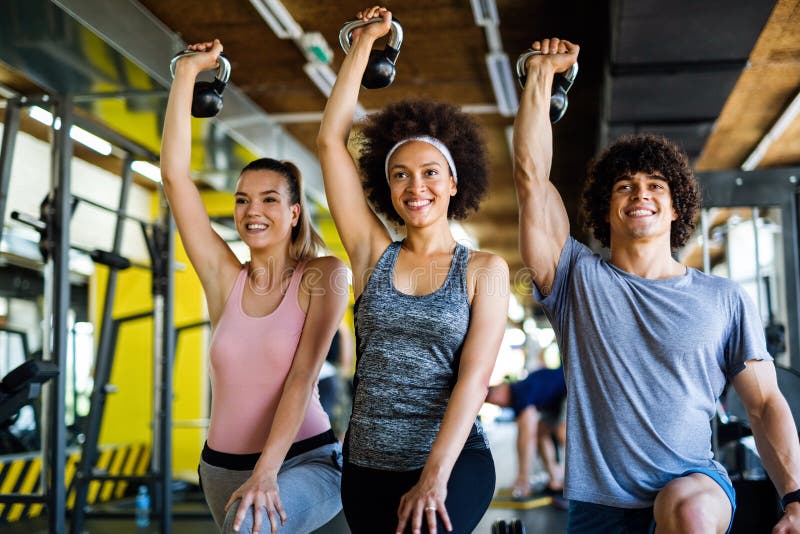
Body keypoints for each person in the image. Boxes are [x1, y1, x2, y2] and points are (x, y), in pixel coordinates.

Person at [513, 37, 800, 533]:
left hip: (694, 485)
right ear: (606, 209)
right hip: (599, 505)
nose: (640, 193)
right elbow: (531, 180)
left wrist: (795, 499)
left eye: (655, 186)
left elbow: (764, 403)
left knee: (687, 509)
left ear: (675, 208)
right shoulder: (576, 278)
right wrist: (540, 75)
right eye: (624, 186)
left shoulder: (724, 298)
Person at [316, 6, 509, 533]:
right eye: (400, 175)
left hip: (452, 462)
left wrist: (433, 476)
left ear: (454, 182)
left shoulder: (484, 269)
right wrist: (362, 46)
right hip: (366, 463)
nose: (415, 186)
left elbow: (474, 380)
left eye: (430, 172)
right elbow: (330, 142)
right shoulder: (372, 255)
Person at [163, 40, 349, 534]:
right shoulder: (224, 279)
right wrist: (186, 75)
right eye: (242, 200)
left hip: (302, 461)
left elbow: (302, 376)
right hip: (219, 469)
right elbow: (175, 178)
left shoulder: (323, 275)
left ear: (294, 213)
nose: (253, 211)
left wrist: (267, 472)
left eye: (269, 199)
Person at [485, 364, 566, 498]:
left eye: (493, 399)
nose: (498, 404)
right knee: (541, 433)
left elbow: (527, 437)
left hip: (571, 388)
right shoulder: (521, 394)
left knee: (563, 433)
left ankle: (582, 480)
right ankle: (555, 479)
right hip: (555, 400)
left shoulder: (520, 392)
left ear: (502, 389)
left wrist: (523, 477)